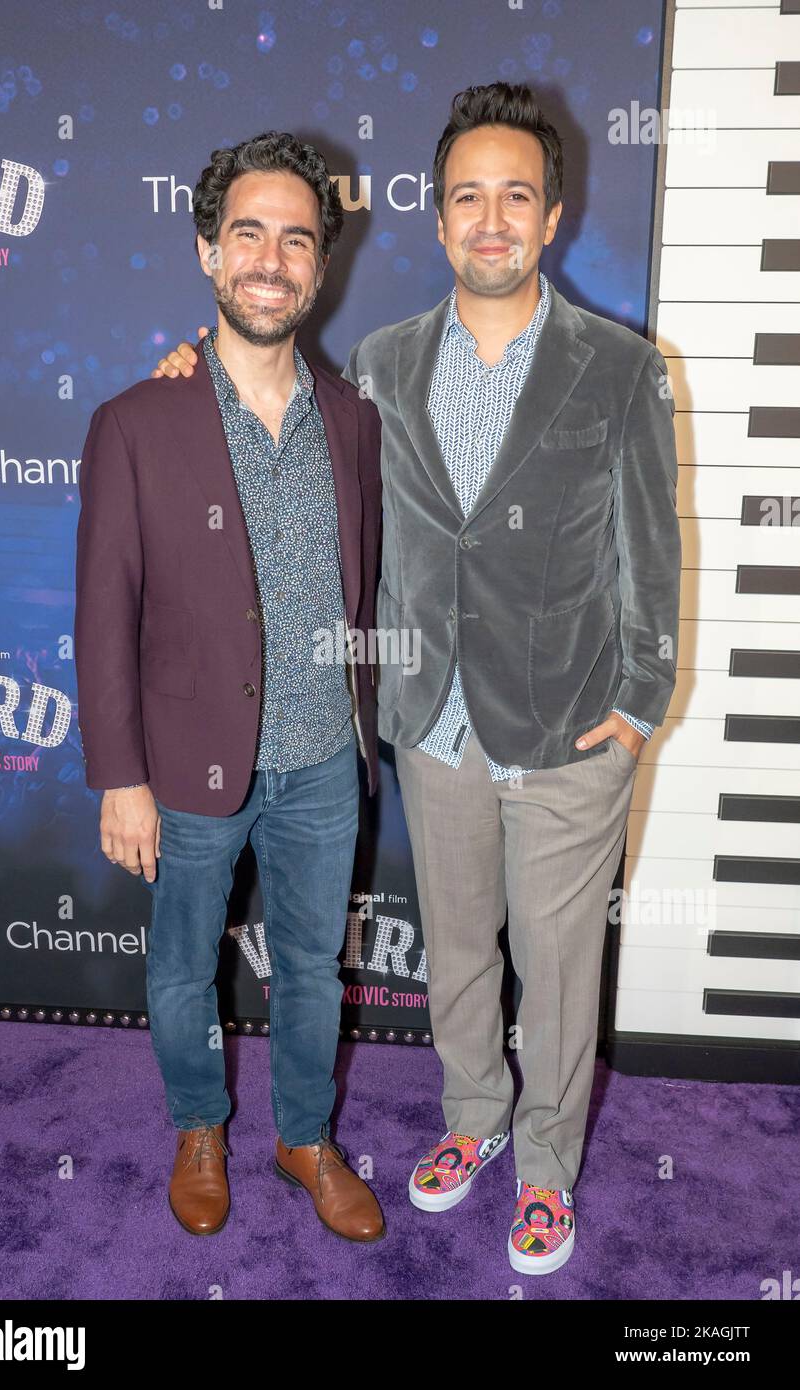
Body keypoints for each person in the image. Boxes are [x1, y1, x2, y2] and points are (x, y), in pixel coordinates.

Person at [153, 82, 681, 1275]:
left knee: (555, 974)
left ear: (551, 219)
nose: (489, 222)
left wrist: (637, 704)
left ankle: (544, 1167)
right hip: (427, 721)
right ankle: (471, 1122)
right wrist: (187, 365)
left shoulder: (618, 368)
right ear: (437, 220)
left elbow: (654, 554)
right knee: (454, 951)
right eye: (465, 200)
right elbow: (261, 406)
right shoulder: (380, 366)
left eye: (515, 199)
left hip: (566, 728)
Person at [75, 131, 385, 1243]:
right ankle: (198, 1123)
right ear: (208, 251)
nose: (270, 256)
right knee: (181, 968)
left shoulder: (352, 420)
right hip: (184, 761)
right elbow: (101, 616)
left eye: (295, 238)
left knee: (311, 964)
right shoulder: (134, 421)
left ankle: (304, 1134)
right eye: (246, 232)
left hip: (322, 761)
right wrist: (120, 777)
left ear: (320, 265)